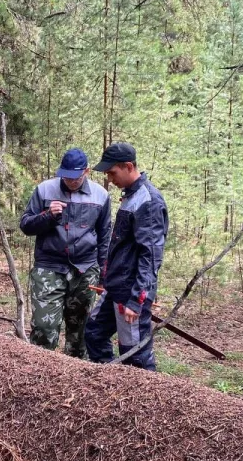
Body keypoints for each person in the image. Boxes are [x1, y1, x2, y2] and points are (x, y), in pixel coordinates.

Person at [20, 148, 112, 358]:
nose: (70, 181)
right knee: (44, 327)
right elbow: (26, 226)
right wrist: (47, 216)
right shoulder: (44, 190)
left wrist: (104, 276)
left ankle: (75, 377)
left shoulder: (100, 195)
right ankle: (40, 372)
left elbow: (105, 236)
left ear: (87, 171)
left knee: (79, 332)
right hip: (49, 268)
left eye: (75, 177)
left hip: (85, 269)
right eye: (65, 176)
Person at [84, 142, 168, 371]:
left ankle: (146, 399)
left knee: (135, 355)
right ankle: (112, 382)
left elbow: (150, 256)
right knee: (93, 334)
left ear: (128, 166)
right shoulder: (131, 196)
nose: (110, 179)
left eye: (112, 172)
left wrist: (136, 300)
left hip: (131, 292)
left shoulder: (148, 201)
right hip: (115, 287)